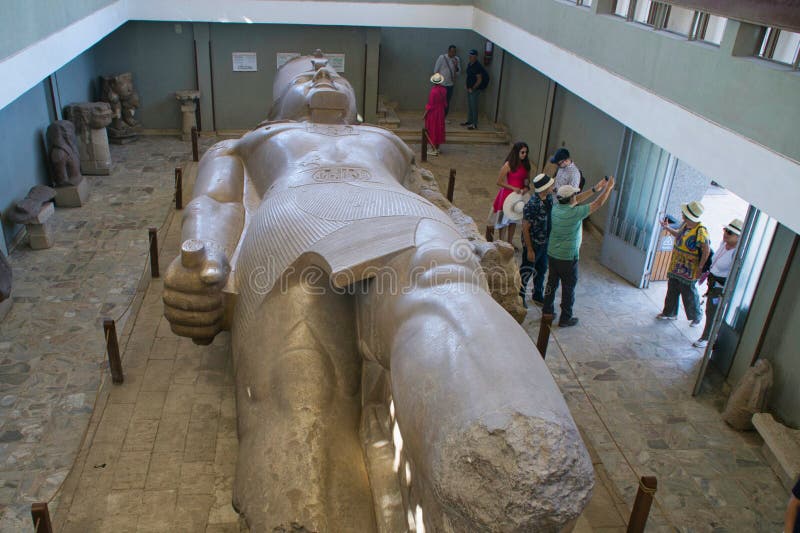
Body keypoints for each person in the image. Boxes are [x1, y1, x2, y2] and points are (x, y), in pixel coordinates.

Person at [162, 51, 592, 532]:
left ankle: (517, 462)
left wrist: (475, 247)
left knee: (443, 285)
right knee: (303, 393)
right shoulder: (247, 142)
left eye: (332, 72)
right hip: (296, 221)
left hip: (403, 218)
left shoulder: (384, 140)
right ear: (275, 106)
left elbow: (430, 196)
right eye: (306, 73)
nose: (323, 73)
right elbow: (216, 201)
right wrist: (205, 261)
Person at [543, 177, 615, 327]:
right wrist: (608, 189)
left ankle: (547, 311)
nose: (576, 198)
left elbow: (574, 200)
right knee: (568, 288)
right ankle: (565, 318)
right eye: (574, 196)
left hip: (553, 254)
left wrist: (595, 189)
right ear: (570, 199)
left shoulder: (556, 208)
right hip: (568, 257)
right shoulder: (576, 213)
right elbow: (598, 204)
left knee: (551, 283)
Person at [657, 200, 711, 326]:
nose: (682, 214)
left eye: (684, 213)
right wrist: (667, 228)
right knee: (672, 288)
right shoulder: (685, 225)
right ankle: (669, 312)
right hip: (676, 264)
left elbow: (706, 249)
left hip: (690, 268)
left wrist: (700, 267)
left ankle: (696, 315)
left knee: (689, 292)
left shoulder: (701, 230)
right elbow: (678, 235)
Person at [693, 218, 742, 347]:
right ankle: (708, 336)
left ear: (738, 237)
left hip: (720, 288)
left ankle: (706, 337)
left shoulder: (736, 254)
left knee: (713, 312)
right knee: (710, 311)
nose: (725, 233)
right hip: (713, 283)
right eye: (726, 230)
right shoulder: (723, 244)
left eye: (730, 232)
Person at [520, 173, 555, 307]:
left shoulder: (549, 199)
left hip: (545, 242)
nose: (553, 186)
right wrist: (529, 249)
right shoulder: (532, 205)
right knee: (527, 270)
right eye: (550, 185)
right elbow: (525, 228)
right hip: (534, 244)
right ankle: (520, 295)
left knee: (542, 269)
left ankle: (537, 294)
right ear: (545, 188)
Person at [486, 141, 531, 243]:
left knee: (513, 220)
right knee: (503, 220)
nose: (524, 154)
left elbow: (527, 182)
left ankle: (509, 242)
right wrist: (512, 188)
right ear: (516, 152)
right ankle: (501, 242)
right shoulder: (508, 164)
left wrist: (526, 188)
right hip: (506, 195)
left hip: (518, 196)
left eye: (526, 152)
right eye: (522, 152)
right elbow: (499, 182)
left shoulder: (526, 165)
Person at [461, 49, 488, 130]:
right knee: (470, 106)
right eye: (470, 55)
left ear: (476, 57)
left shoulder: (477, 66)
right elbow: (469, 76)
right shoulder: (470, 64)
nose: (470, 57)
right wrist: (467, 86)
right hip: (469, 89)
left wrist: (473, 88)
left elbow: (479, 80)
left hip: (474, 90)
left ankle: (474, 124)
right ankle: (469, 121)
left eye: (472, 56)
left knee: (474, 106)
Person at [423, 73, 447, 156]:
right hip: (441, 112)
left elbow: (430, 104)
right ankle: (437, 147)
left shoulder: (433, 91)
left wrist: (424, 114)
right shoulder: (444, 90)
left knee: (432, 129)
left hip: (433, 113)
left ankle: (433, 149)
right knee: (439, 128)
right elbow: (444, 102)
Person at [433, 44, 460, 117]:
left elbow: (458, 73)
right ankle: (438, 117)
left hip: (450, 85)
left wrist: (456, 66)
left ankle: (444, 117)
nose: (453, 53)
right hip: (441, 85)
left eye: (454, 52)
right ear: (448, 51)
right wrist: (437, 83)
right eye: (451, 51)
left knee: (447, 102)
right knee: (439, 102)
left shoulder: (456, 59)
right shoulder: (442, 58)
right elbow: (435, 70)